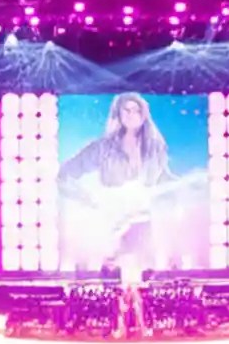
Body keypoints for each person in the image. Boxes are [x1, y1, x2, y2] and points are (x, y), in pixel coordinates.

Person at [58, 93, 174, 267]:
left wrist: (193, 184)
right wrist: (86, 199)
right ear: (118, 113)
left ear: (143, 114)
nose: (131, 114)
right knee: (109, 270)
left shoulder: (155, 148)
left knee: (144, 271)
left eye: (136, 110)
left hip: (142, 223)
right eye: (126, 110)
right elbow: (65, 175)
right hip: (110, 223)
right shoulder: (102, 148)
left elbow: (163, 180)